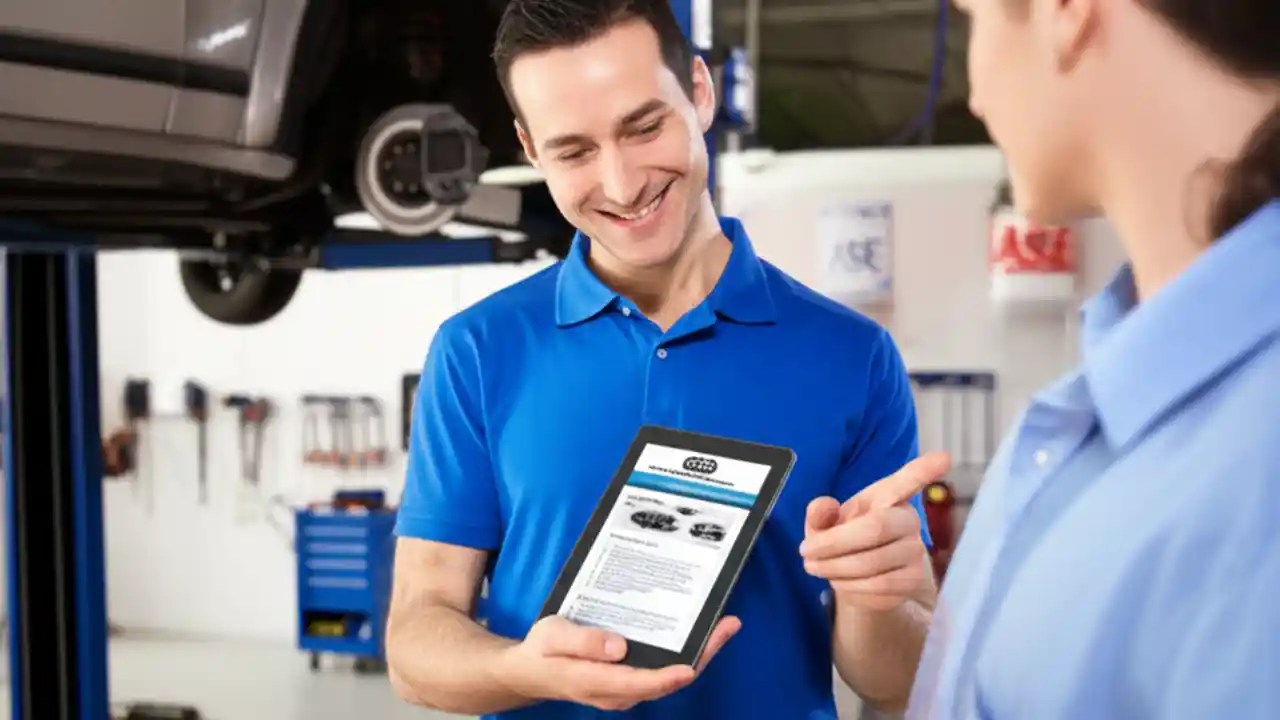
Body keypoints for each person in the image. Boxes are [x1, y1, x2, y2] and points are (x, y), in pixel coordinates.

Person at [385, 1, 947, 718]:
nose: (621, 185)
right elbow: (415, 643)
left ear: (702, 93)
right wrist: (523, 667)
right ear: (529, 149)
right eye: (574, 151)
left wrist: (874, 598)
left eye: (643, 127)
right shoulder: (478, 351)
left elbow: (894, 680)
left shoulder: (852, 355)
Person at [908, 1, 1280, 718]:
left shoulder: (1253, 483)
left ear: (1067, 11)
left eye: (973, 17)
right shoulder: (1082, 419)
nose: (975, 93)